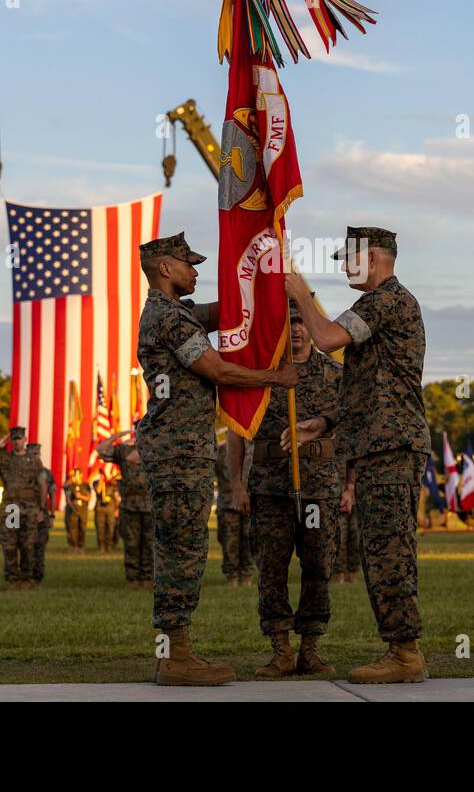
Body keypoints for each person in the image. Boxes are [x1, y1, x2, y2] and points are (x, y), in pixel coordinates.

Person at [136, 232, 294, 686]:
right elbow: (218, 369)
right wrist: (275, 377)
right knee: (181, 551)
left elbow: (219, 313)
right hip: (177, 452)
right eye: (189, 264)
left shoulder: (175, 312)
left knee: (183, 548)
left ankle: (177, 651)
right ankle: (175, 657)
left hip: (181, 450)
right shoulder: (168, 318)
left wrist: (260, 290)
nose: (197, 271)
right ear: (165, 269)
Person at [286, 225, 430, 684]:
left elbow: (326, 339)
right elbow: (368, 389)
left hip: (392, 447)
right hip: (378, 446)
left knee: (390, 550)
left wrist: (300, 292)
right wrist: (326, 422)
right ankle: (399, 648)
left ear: (374, 258)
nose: (343, 267)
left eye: (349, 259)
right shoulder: (381, 303)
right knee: (379, 550)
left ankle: (405, 653)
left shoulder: (388, 300)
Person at [236, 300, 342, 678]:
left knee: (317, 565)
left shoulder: (334, 374)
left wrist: (350, 487)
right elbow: (238, 428)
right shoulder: (262, 373)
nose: (296, 328)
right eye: (289, 322)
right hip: (270, 487)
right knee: (271, 568)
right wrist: (235, 483)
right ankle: (280, 649)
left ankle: (310, 648)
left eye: (300, 321)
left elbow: (351, 430)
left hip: (319, 487)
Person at [0, 427, 40, 589]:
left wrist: (42, 509)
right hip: (12, 506)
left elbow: (41, 484)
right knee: (10, 543)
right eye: (13, 439)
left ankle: (27, 578)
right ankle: (13, 578)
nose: (17, 442)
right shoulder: (4, 459)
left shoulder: (34, 459)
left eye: (19, 438)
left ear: (25, 439)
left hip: (29, 506)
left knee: (28, 543)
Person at [97, 431, 151, 586]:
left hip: (150, 506)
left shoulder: (156, 448)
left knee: (149, 544)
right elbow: (100, 450)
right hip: (129, 505)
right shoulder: (123, 450)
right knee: (131, 544)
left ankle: (147, 578)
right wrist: (117, 436)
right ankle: (133, 579)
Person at [214, 440, 253, 585]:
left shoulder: (254, 448)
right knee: (229, 543)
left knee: (250, 542)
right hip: (228, 503)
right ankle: (232, 578)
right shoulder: (221, 450)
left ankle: (247, 576)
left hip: (251, 503)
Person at [29, 443, 54, 584]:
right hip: (17, 511)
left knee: (39, 545)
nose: (35, 457)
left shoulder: (45, 473)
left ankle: (37, 576)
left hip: (40, 513)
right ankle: (22, 574)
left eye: (36, 454)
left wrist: (51, 514)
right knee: (21, 544)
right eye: (32, 454)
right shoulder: (22, 470)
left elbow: (51, 494)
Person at [90, 457, 119, 554]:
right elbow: (98, 490)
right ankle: (101, 547)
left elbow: (117, 496)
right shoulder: (96, 482)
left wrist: (117, 509)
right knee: (100, 528)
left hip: (111, 508)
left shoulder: (113, 485)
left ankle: (109, 547)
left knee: (111, 528)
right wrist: (102, 479)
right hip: (100, 508)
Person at [63, 466, 91, 552]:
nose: (77, 476)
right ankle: (72, 545)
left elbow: (88, 498)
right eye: (75, 475)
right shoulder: (70, 485)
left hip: (83, 510)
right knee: (72, 529)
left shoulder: (85, 485)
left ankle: (81, 546)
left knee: (82, 528)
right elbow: (67, 496)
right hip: (73, 510)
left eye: (78, 474)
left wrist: (81, 496)